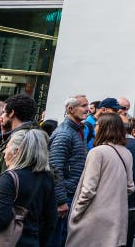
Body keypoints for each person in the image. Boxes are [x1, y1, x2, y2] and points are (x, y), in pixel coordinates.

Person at [66, 113, 135, 247]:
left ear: (104, 128)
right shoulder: (126, 153)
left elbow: (88, 189)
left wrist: (76, 213)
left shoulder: (97, 152)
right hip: (115, 219)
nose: (95, 128)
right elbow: (130, 187)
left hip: (92, 218)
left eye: (97, 125)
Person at [0, 128, 57, 246]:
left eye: (7, 148)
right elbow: (50, 221)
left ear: (16, 151)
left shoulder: (9, 178)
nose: (4, 152)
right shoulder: (47, 177)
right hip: (32, 242)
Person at [47, 95, 89, 247]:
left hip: (71, 192)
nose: (88, 109)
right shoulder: (64, 133)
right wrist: (61, 200)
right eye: (83, 106)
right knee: (57, 238)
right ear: (70, 109)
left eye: (87, 105)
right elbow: (54, 167)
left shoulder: (78, 130)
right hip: (65, 195)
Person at [0, 94, 37, 188]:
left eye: (3, 112)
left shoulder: (22, 140)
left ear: (11, 113)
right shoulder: (14, 136)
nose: (1, 117)